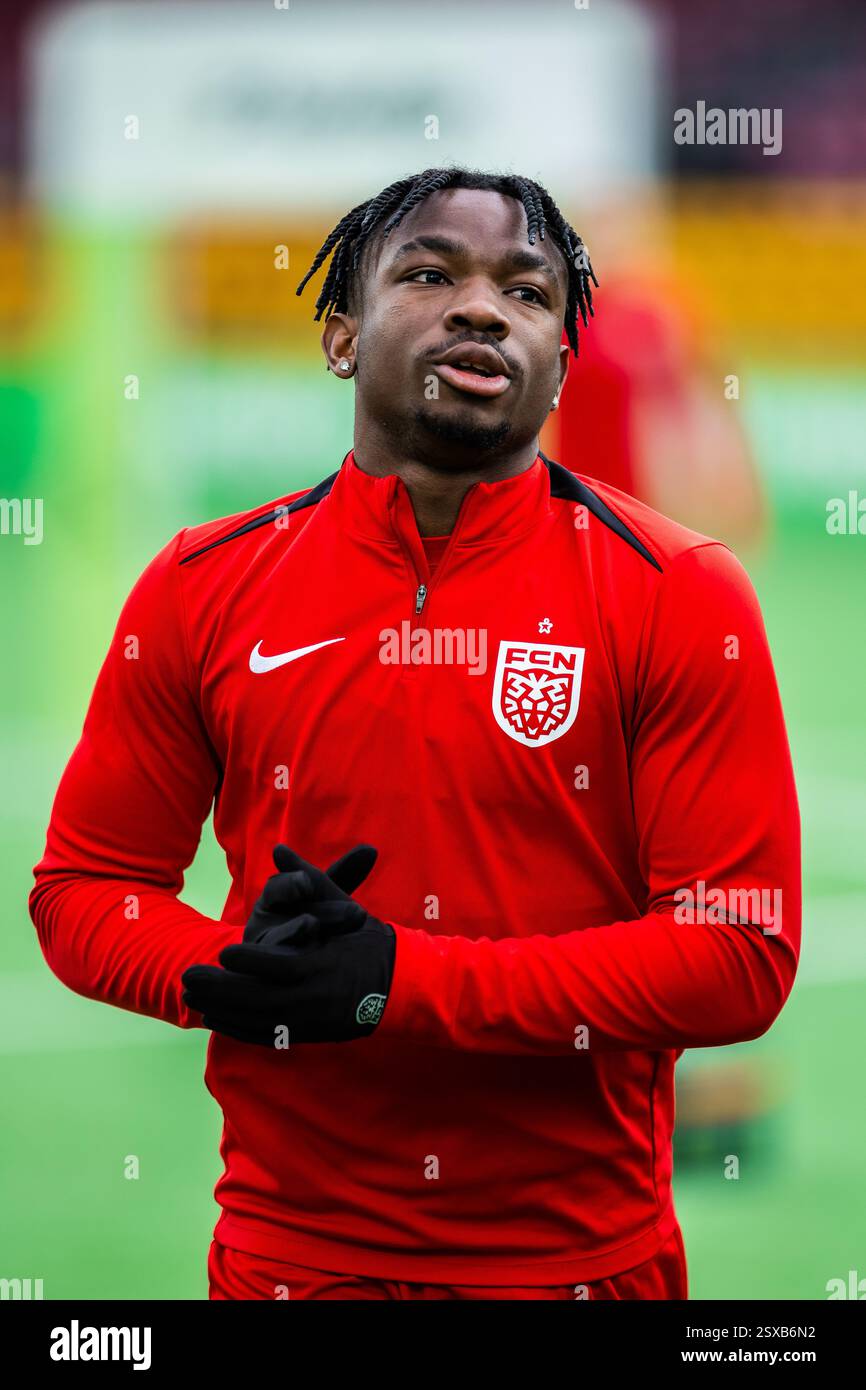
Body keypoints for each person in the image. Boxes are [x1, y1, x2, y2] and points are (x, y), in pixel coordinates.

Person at [30, 167, 800, 1301]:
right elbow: (86, 887)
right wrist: (220, 974)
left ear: (559, 361)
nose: (483, 308)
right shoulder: (203, 586)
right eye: (430, 273)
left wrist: (399, 980)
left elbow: (737, 953)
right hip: (287, 1265)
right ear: (341, 336)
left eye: (528, 292)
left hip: (579, 1268)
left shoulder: (680, 594)